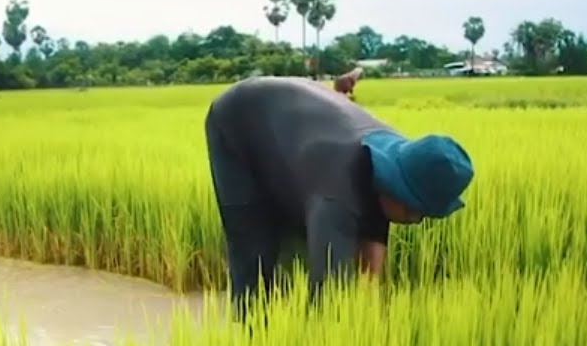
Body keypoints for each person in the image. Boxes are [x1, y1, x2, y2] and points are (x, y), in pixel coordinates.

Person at [203, 75, 474, 321]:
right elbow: (328, 295)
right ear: (395, 186)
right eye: (415, 209)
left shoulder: (399, 163)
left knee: (301, 248)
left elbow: (372, 254)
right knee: (256, 254)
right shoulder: (338, 192)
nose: (416, 220)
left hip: (296, 133)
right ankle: (253, 342)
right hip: (239, 122)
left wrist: (373, 320)